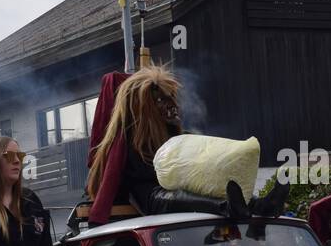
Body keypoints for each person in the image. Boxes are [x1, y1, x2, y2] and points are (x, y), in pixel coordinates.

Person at [83, 66, 286, 230]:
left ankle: (260, 205)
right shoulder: (128, 140)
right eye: (161, 100)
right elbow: (120, 176)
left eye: (170, 99)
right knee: (173, 197)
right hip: (150, 194)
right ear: (146, 106)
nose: (171, 105)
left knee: (209, 183)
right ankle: (227, 208)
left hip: (177, 182)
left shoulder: (175, 134)